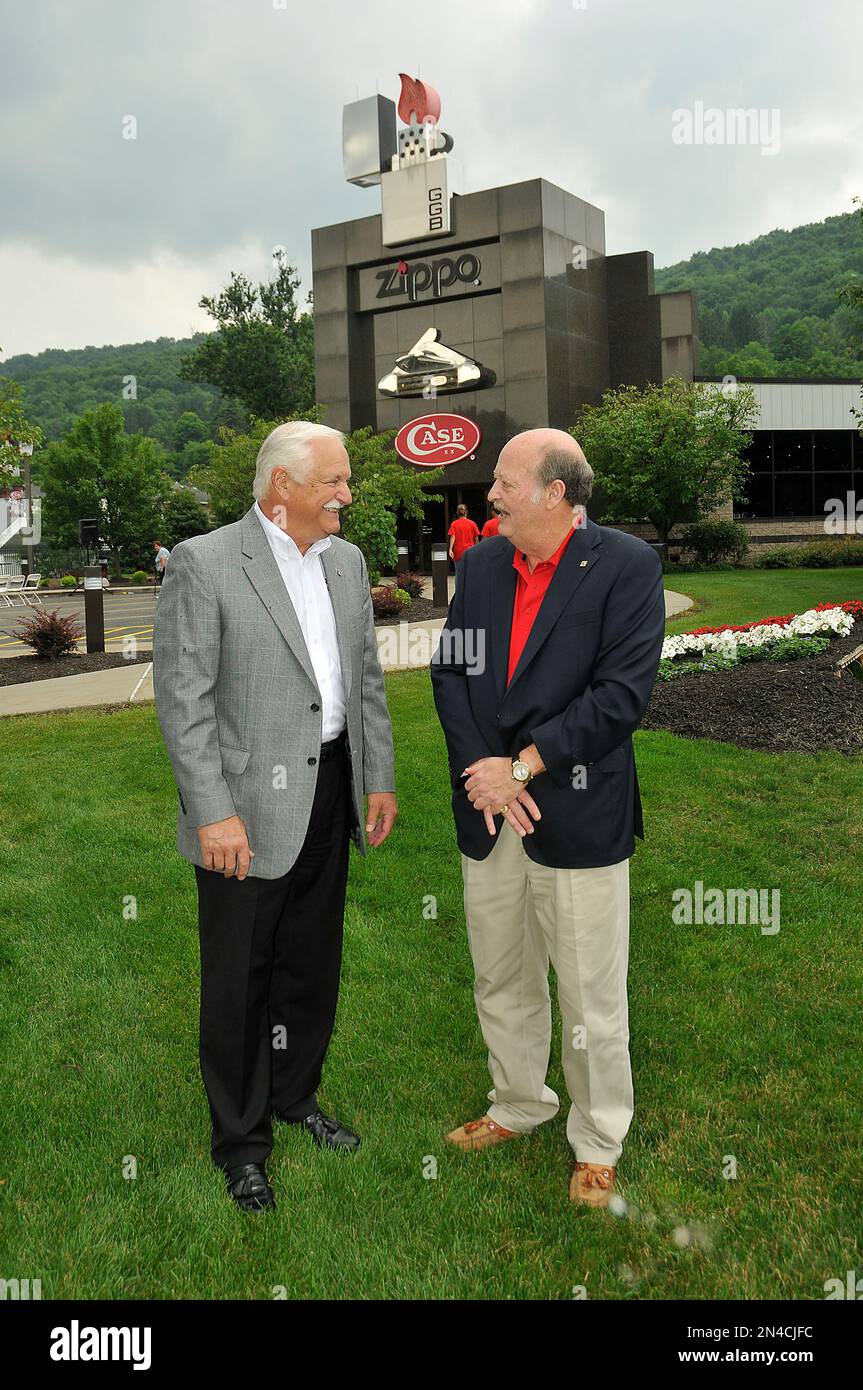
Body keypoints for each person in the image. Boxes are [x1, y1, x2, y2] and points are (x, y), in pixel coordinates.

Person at [153, 421, 397, 1213]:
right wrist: (212, 812)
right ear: (281, 486)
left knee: (308, 965)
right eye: (334, 481)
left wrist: (377, 779)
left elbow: (362, 681)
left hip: (329, 794)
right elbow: (183, 703)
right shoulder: (206, 562)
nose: (347, 496)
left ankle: (296, 1099)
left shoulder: (347, 563)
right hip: (244, 810)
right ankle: (242, 1143)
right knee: (238, 981)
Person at [430, 428, 665, 1209]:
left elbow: (619, 698)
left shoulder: (627, 566)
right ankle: (518, 1103)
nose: (489, 495)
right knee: (501, 973)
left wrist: (522, 766)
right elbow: (452, 670)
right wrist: (483, 774)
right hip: (490, 809)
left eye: (503, 481)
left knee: (590, 993)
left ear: (554, 493)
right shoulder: (482, 564)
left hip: (575, 809)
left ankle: (598, 1140)